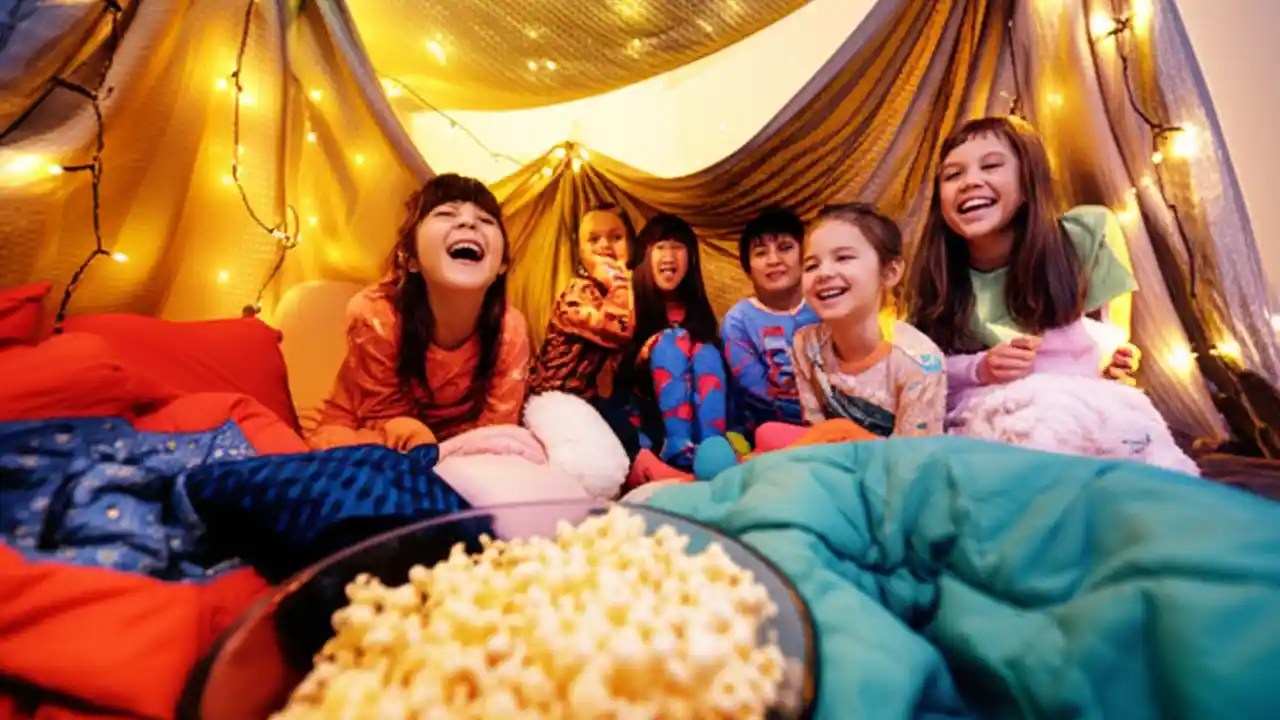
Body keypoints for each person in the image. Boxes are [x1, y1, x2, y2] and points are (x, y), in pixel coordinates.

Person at [907, 115, 1139, 410]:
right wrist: (980, 369)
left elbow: (1117, 338)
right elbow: (919, 371)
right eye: (953, 175)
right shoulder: (938, 275)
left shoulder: (1088, 233)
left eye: (991, 166)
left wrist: (1117, 360)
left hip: (1081, 403)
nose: (970, 182)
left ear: (1029, 179)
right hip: (995, 411)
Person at [309, 174, 530, 450]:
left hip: (463, 449)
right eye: (446, 214)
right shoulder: (376, 315)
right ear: (410, 259)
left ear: (502, 265)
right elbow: (391, 423)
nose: (468, 222)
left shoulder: (510, 329)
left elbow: (497, 431)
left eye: (486, 221)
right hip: (370, 436)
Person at [792, 203, 947, 436]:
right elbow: (815, 432)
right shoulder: (806, 344)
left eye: (843, 258)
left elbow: (913, 459)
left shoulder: (919, 362)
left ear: (889, 273)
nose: (823, 273)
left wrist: (842, 432)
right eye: (811, 265)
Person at [615, 213, 727, 470]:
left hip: (706, 441)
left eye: (677, 247)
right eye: (660, 247)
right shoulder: (627, 308)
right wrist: (644, 354)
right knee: (671, 342)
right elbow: (613, 389)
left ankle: (713, 447)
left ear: (691, 258)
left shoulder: (701, 315)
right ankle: (678, 448)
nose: (669, 255)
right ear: (645, 256)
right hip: (649, 432)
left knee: (707, 351)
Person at [721, 208, 819, 440]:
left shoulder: (823, 303)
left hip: (833, 420)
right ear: (748, 268)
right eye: (761, 253)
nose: (774, 260)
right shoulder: (738, 321)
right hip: (769, 430)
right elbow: (756, 391)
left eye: (785, 248)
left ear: (805, 256)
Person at [528, 203, 635, 401]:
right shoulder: (576, 294)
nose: (604, 245)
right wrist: (618, 281)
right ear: (580, 250)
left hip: (601, 404)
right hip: (555, 399)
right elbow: (619, 329)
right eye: (594, 239)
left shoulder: (633, 290)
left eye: (616, 238)